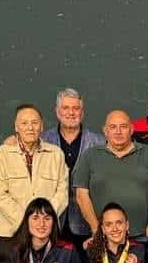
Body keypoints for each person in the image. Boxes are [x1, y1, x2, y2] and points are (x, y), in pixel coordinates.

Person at [75, 110, 148, 240]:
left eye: (123, 126)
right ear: (105, 131)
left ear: (131, 129)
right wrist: (96, 230)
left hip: (143, 236)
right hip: (104, 236)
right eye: (113, 127)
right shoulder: (89, 156)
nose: (118, 131)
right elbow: (81, 196)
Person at [0, 104, 69, 256]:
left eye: (35, 122)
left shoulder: (56, 154)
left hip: (46, 234)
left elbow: (62, 193)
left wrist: (43, 220)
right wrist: (27, 221)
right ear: (16, 127)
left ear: (42, 126)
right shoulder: (2, 154)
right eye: (24, 123)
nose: (30, 128)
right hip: (10, 233)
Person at [41, 88, 105, 246]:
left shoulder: (100, 143)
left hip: (87, 225)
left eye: (76, 108)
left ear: (82, 113)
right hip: (51, 222)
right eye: (65, 108)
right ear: (57, 112)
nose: (71, 113)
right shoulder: (42, 141)